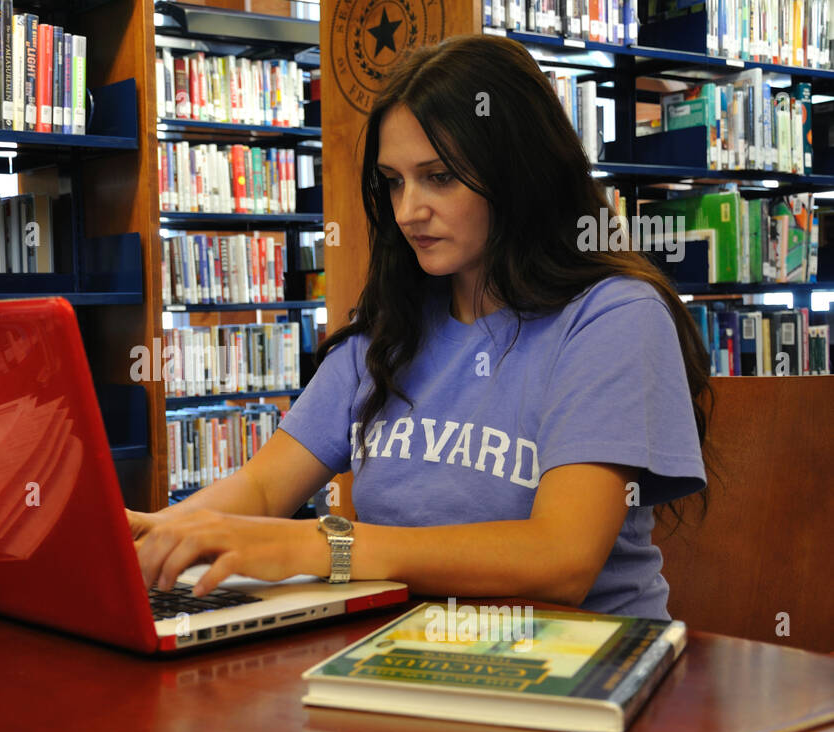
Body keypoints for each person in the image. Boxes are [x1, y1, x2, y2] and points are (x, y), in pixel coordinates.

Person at [129, 34, 713, 619]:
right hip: (407, 649)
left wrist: (320, 545)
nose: (408, 211)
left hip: (575, 663)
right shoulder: (392, 325)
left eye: (439, 177)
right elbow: (261, 489)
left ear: (519, 175)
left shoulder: (614, 317)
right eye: (394, 180)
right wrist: (151, 536)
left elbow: (560, 560)